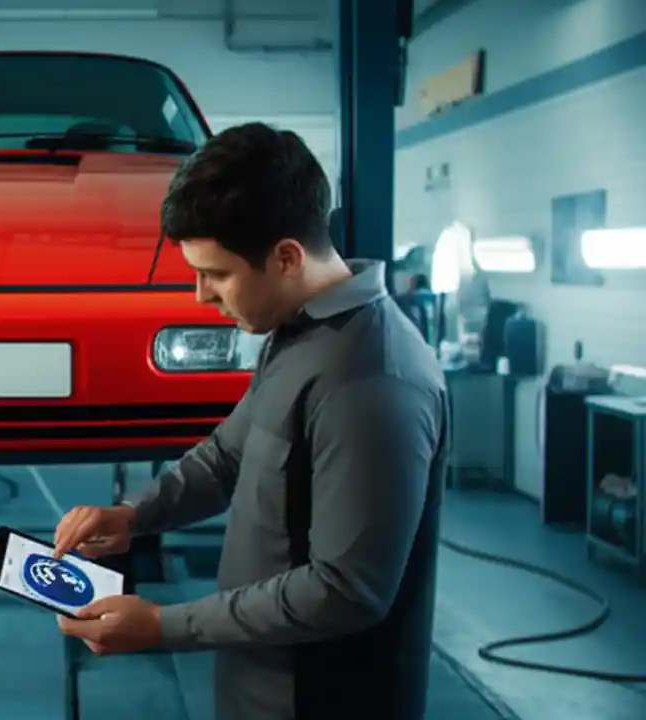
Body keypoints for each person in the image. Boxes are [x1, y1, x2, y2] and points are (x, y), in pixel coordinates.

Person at [51, 123, 449, 719]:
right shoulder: (298, 328)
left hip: (324, 701)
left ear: (287, 256)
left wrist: (164, 625)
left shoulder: (372, 380)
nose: (200, 296)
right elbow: (229, 454)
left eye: (215, 274)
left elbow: (346, 591)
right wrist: (136, 516)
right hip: (258, 687)